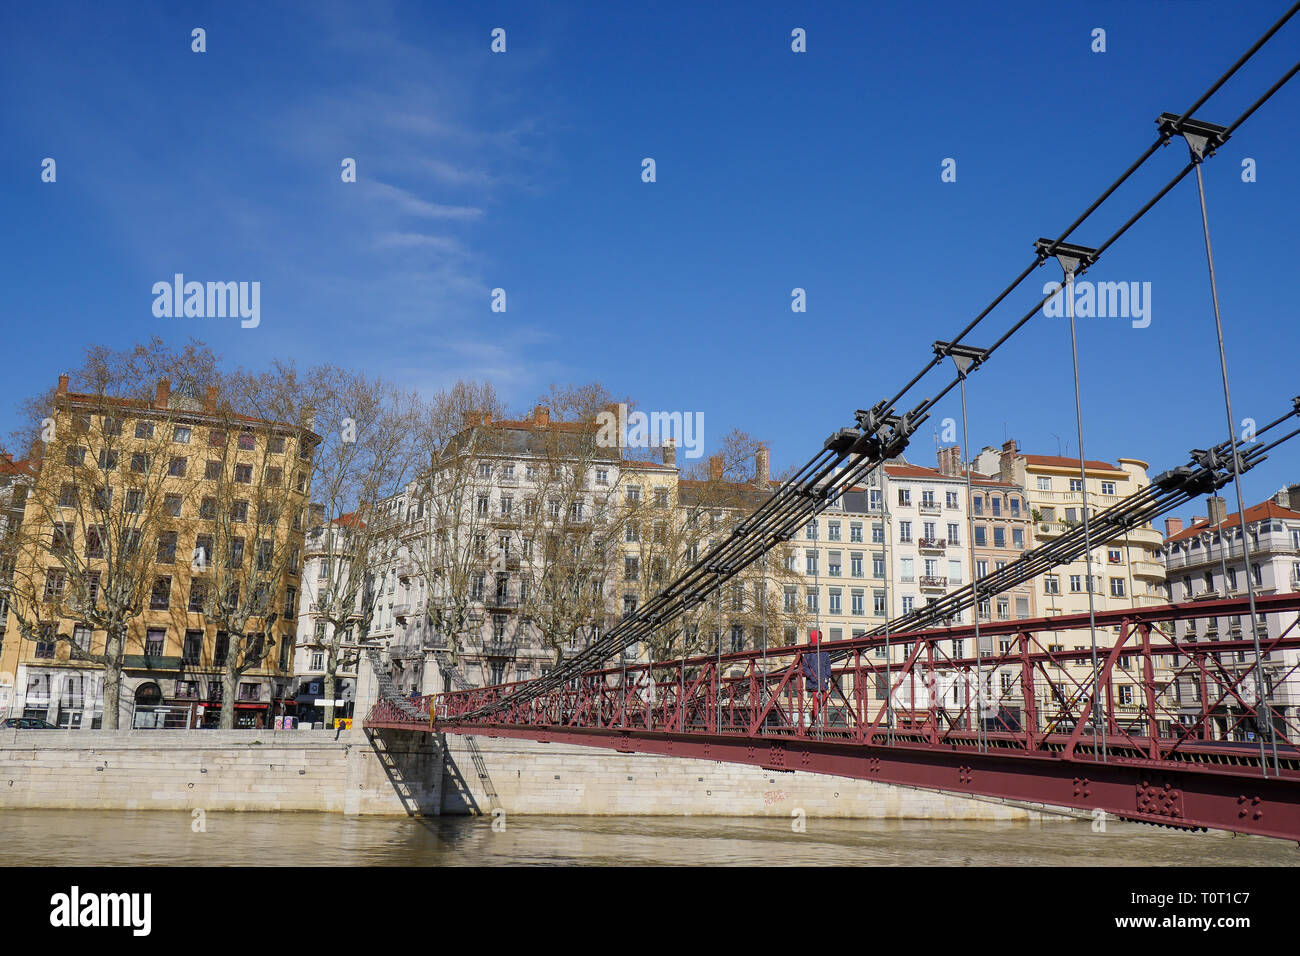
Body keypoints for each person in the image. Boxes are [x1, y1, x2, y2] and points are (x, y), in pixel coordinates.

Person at [800, 630, 833, 726]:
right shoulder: (808, 652)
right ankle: (816, 719)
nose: (820, 639)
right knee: (815, 699)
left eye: (820, 637)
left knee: (823, 699)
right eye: (818, 637)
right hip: (814, 681)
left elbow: (828, 664)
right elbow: (805, 667)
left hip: (823, 680)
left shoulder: (824, 651)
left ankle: (814, 714)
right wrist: (811, 676)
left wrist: (827, 675)